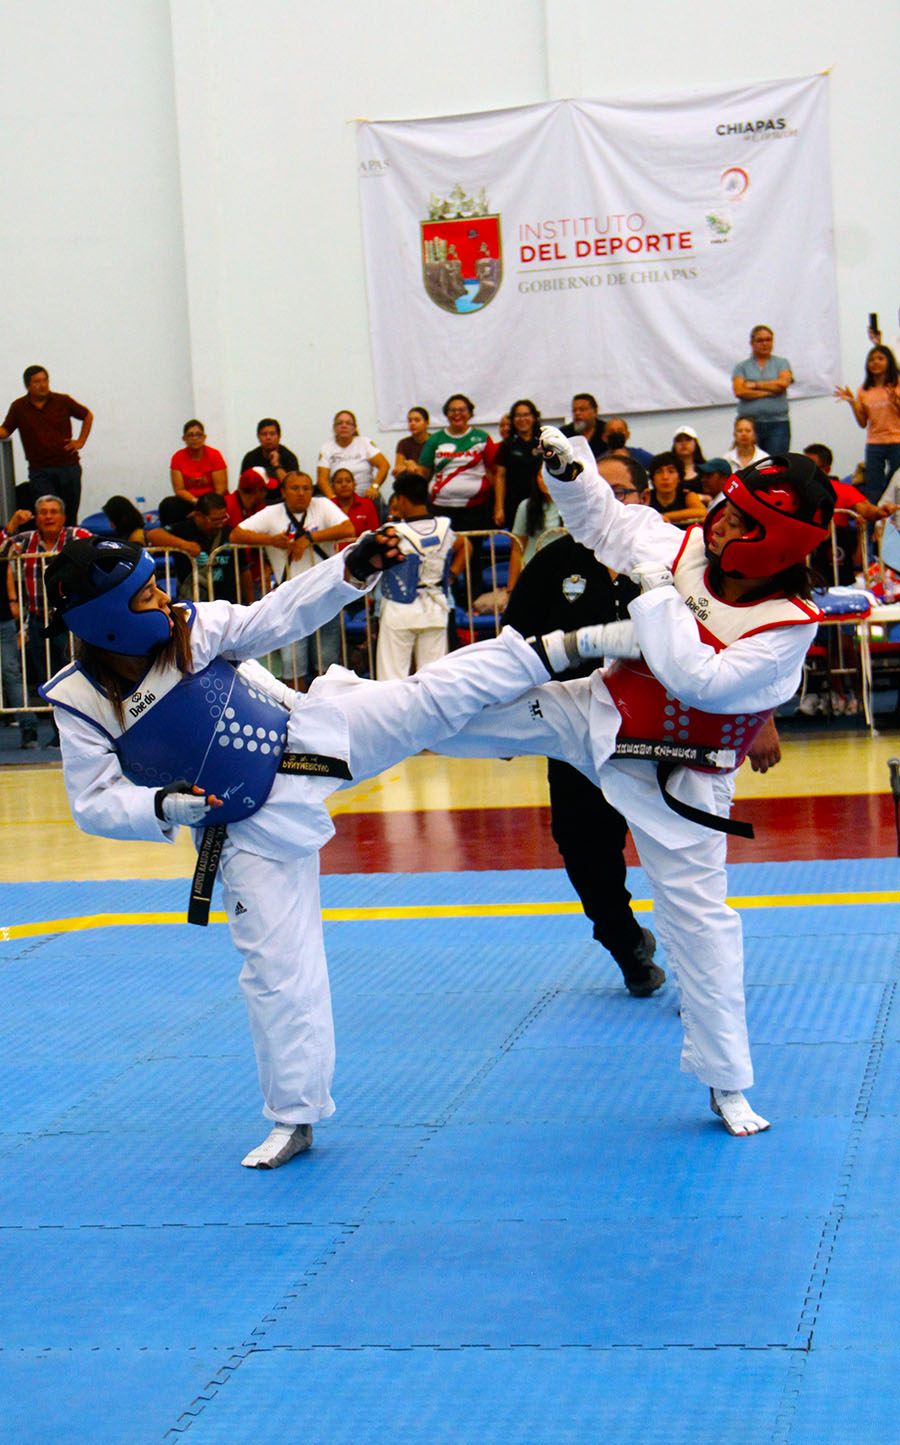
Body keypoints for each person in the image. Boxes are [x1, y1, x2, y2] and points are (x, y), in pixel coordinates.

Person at [38, 531, 582, 1168]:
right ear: (105, 621)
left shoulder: (197, 626)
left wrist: (349, 569)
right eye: (145, 595)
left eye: (157, 585)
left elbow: (278, 612)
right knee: (276, 970)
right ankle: (293, 1116)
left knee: (432, 700)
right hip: (243, 825)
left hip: (311, 736)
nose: (164, 600)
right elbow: (92, 800)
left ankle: (568, 658)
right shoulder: (78, 700)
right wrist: (160, 807)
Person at [440, 430, 835, 1137]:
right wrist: (571, 472)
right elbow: (606, 521)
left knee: (703, 925)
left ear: (773, 542)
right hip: (599, 712)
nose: (720, 520)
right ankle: (323, 718)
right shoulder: (681, 547)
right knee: (456, 709)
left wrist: (654, 592)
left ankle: (727, 1083)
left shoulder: (787, 624)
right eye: (728, 506)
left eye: (741, 519)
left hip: (681, 783)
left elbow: (697, 679)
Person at [503, 452, 783, 997]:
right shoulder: (553, 561)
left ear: (643, 498)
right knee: (583, 850)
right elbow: (514, 642)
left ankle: (698, 990)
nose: (610, 499)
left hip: (674, 735)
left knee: (682, 870)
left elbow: (738, 641)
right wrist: (511, 718)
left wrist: (762, 719)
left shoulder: (683, 564)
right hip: (582, 731)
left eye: (623, 491)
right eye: (597, 489)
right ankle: (624, 942)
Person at [229, 471, 354, 687]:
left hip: (326, 591)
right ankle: (294, 710)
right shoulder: (272, 513)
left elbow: (348, 528)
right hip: (290, 595)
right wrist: (271, 540)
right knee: (292, 661)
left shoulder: (322, 505)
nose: (301, 493)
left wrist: (309, 538)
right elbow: (236, 535)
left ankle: (326, 706)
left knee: (327, 659)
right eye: (295, 488)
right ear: (284, 492)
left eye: (306, 488)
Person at [2, 496, 92, 741]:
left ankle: (78, 733)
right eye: (43, 512)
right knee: (47, 680)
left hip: (69, 620)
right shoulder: (25, 540)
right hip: (38, 620)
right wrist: (11, 526)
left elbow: (98, 551)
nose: (48, 516)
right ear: (36, 517)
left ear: (63, 517)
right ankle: (56, 733)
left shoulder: (76, 536)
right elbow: (1, 550)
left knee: (73, 676)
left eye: (53, 512)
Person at [375, 474, 466, 680]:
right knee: (433, 679)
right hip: (435, 607)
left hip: (399, 609)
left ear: (402, 499)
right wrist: (450, 576)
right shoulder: (445, 529)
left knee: (391, 678)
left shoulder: (393, 532)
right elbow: (464, 546)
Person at [0, 365, 92, 523]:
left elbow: (87, 415)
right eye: (37, 381)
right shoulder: (19, 407)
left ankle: (69, 547)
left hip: (68, 467)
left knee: (68, 516)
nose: (42, 385)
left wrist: (81, 441)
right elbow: (6, 430)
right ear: (28, 385)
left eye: (45, 380)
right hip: (40, 471)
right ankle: (48, 548)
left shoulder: (62, 401)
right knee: (46, 514)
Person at [834, 346, 900, 509]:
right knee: (873, 488)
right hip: (875, 443)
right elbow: (862, 422)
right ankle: (873, 530)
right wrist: (852, 402)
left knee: (896, 487)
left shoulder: (897, 384)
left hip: (897, 441)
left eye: (880, 359)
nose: (875, 363)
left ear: (889, 361)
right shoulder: (864, 390)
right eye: (871, 359)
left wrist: (896, 401)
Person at [147, 492, 238, 603]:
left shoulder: (229, 533)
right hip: (194, 600)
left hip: (227, 600)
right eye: (214, 520)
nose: (219, 524)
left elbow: (243, 569)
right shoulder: (183, 529)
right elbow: (153, 535)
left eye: (223, 518)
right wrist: (183, 544)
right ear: (198, 515)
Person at [732, 325, 793, 455]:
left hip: (778, 423)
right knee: (753, 467)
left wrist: (754, 385)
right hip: (749, 426)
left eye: (768, 340)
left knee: (776, 466)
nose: (765, 344)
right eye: (760, 340)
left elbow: (783, 383)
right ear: (752, 343)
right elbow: (739, 391)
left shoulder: (782, 363)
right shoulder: (742, 367)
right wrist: (770, 391)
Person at [506, 467, 563, 591]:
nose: (545, 481)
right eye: (541, 476)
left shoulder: (575, 507)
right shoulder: (525, 506)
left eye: (550, 476)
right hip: (532, 570)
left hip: (564, 571)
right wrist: (511, 588)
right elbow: (517, 549)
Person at [316, 410, 389, 504]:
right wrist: (332, 498)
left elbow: (384, 465)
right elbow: (322, 479)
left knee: (376, 500)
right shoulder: (327, 448)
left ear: (354, 428)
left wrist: (374, 487)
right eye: (339, 423)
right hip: (338, 497)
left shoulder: (364, 443)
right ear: (334, 428)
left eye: (348, 423)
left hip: (365, 495)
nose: (344, 426)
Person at [494, 398, 542, 530]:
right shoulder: (506, 445)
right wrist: (499, 507)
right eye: (518, 416)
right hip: (514, 503)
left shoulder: (544, 442)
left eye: (526, 415)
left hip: (540, 501)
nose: (522, 419)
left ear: (534, 417)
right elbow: (500, 477)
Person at [170, 420, 228, 502]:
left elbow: (221, 489)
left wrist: (206, 504)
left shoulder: (215, 455)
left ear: (204, 437)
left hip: (213, 500)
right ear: (184, 439)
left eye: (198, 435)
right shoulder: (177, 457)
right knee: (169, 504)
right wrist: (195, 501)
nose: (195, 438)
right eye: (190, 435)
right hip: (190, 501)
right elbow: (179, 490)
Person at [647, 452, 706, 528]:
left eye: (671, 471)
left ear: (679, 477)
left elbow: (702, 512)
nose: (665, 477)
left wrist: (665, 516)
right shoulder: (646, 497)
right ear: (653, 478)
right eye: (659, 472)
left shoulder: (687, 496)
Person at [240, 419, 300, 487]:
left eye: (272, 434)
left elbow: (291, 486)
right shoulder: (250, 458)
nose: (268, 438)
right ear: (258, 437)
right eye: (264, 434)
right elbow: (243, 487)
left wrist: (276, 466)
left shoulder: (289, 457)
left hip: (281, 496)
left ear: (279, 437)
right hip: (257, 496)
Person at [330, 467, 380, 539]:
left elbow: (374, 535)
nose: (344, 485)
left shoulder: (367, 504)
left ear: (354, 485)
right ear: (332, 487)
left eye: (348, 481)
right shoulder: (328, 505)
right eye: (339, 482)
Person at [561, 393, 605, 458]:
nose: (577, 413)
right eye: (574, 410)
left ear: (595, 412)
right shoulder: (564, 433)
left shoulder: (605, 430)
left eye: (582, 410)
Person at [392, 407, 431, 479]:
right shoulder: (403, 443)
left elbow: (432, 471)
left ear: (427, 422)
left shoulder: (434, 441)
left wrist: (415, 468)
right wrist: (407, 467)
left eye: (417, 420)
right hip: (411, 484)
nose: (412, 424)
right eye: (410, 421)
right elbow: (397, 470)